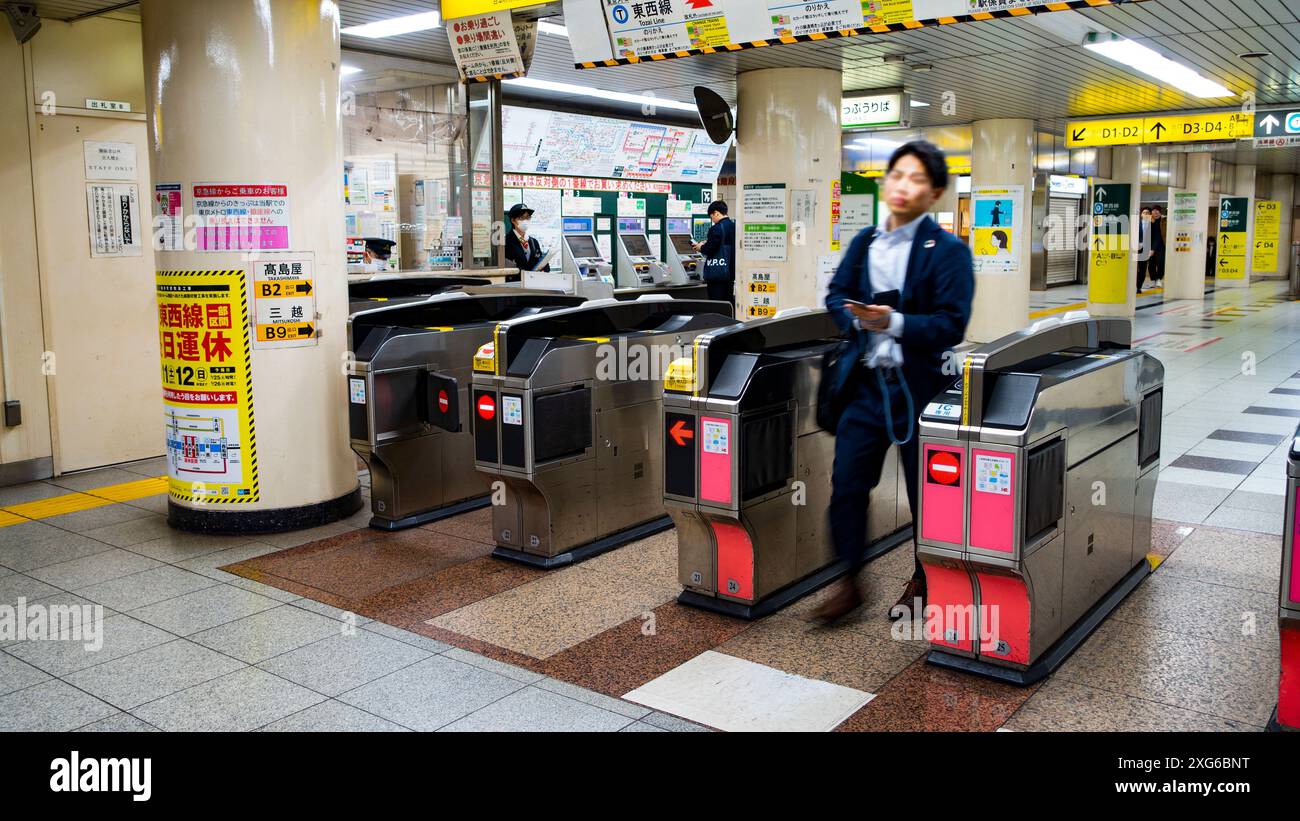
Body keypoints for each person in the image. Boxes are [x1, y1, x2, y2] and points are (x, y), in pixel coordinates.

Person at [818, 140, 975, 623]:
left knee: (927, 492)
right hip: (867, 387)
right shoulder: (865, 242)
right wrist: (855, 319)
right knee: (846, 485)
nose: (904, 186)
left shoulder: (948, 252)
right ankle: (850, 579)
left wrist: (895, 322)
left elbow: (951, 323)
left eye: (917, 179)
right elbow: (835, 295)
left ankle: (925, 578)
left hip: (922, 388)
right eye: (897, 175)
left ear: (936, 194)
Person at [694, 200, 735, 306]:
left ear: (716, 213)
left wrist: (701, 247)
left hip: (718, 274)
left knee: (717, 304)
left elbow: (709, 249)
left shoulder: (716, 228)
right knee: (728, 302)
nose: (712, 220)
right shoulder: (734, 226)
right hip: (730, 273)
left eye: (711, 216)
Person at [503, 202, 549, 282]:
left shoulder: (534, 242)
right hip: (515, 286)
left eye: (528, 218)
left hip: (533, 285)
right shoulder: (505, 242)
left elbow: (543, 264)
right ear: (513, 220)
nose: (525, 221)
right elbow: (507, 268)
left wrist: (544, 268)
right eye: (521, 218)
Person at [1148, 205, 1166, 285]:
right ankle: (1154, 279)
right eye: (1153, 210)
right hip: (1150, 244)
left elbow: (1159, 236)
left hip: (1161, 244)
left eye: (1157, 210)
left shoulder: (1164, 220)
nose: (1155, 212)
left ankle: (1159, 278)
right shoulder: (1148, 220)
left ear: (1160, 212)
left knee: (1161, 262)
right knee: (1151, 264)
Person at [1136, 207, 1152, 293]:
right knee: (1134, 267)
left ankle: (1139, 286)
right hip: (1136, 249)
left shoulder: (1152, 224)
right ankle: (1133, 285)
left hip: (1146, 250)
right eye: (1144, 212)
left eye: (1147, 213)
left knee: (1142, 269)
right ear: (1141, 214)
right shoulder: (1136, 223)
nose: (1145, 214)